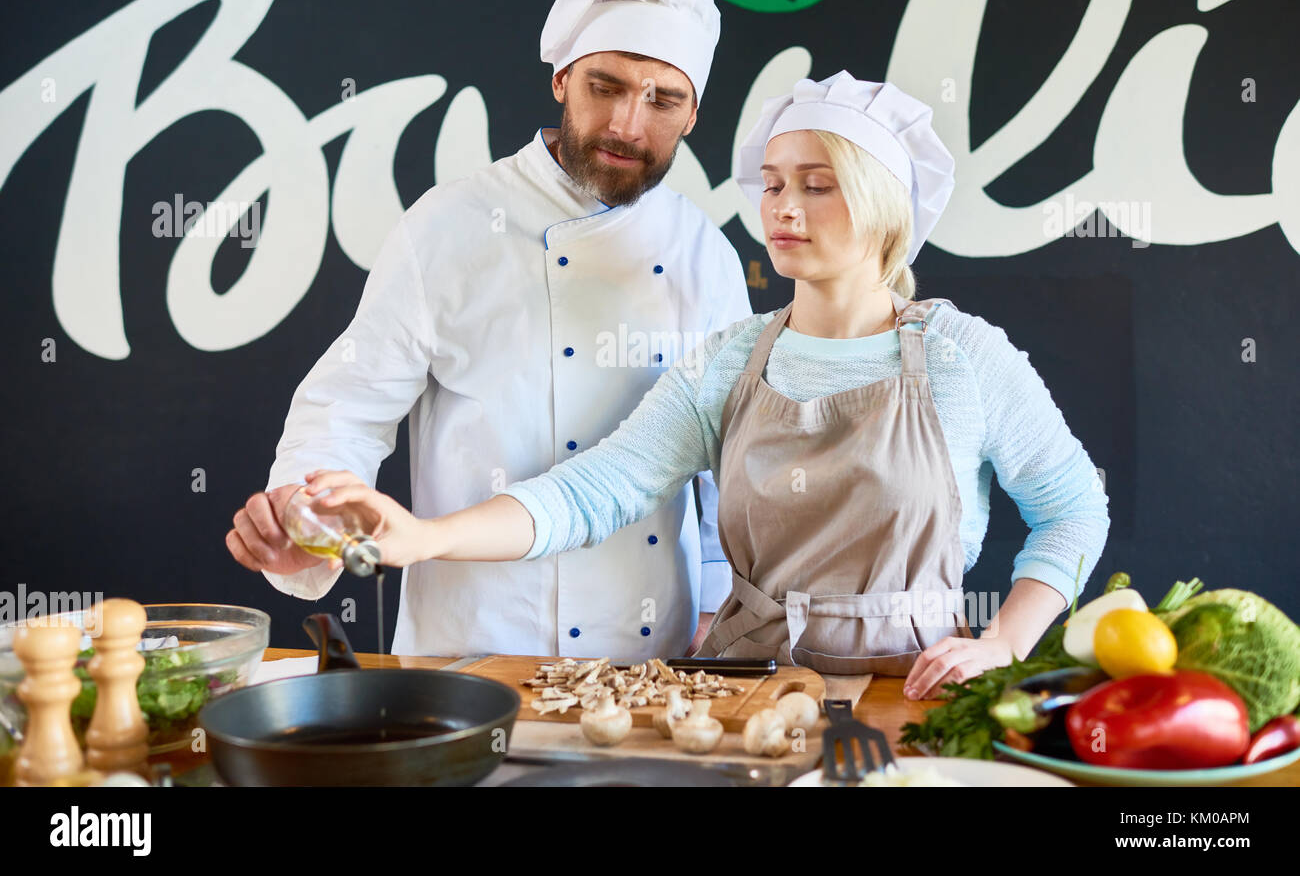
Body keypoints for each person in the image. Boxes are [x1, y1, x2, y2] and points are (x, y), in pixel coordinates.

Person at [297, 71, 1111, 698]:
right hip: (743, 692)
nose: (783, 206)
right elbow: (595, 489)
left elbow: (1073, 506)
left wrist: (1003, 640)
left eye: (817, 184)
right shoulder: (728, 359)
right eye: (774, 181)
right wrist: (425, 537)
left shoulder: (963, 354)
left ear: (883, 205)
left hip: (916, 687)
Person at [225, 0, 752, 660]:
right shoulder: (450, 224)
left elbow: (729, 465)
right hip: (473, 645)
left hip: (649, 651)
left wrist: (718, 605)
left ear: (692, 115)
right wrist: (309, 522)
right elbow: (347, 407)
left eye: (663, 99)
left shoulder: (704, 254)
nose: (628, 123)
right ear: (562, 79)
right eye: (607, 86)